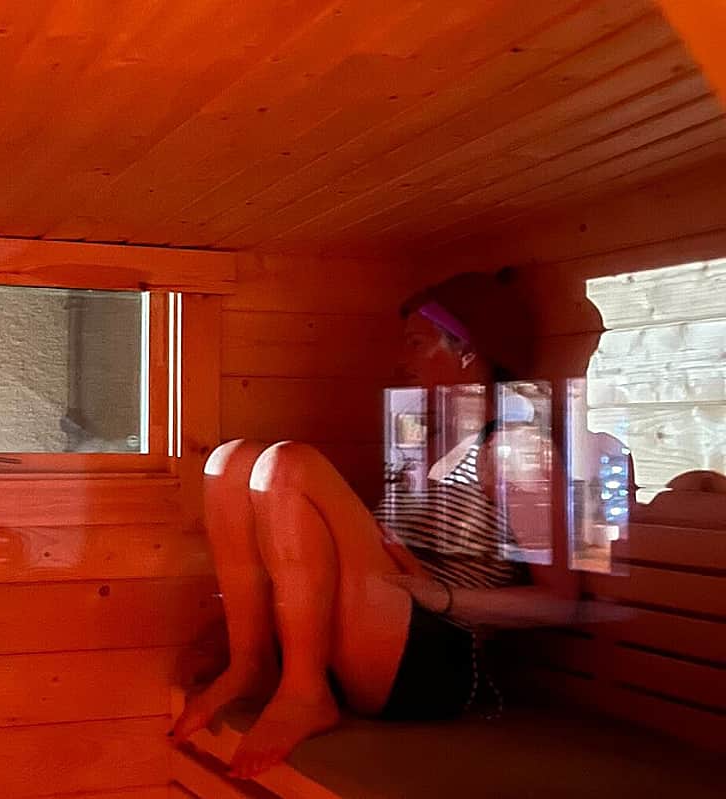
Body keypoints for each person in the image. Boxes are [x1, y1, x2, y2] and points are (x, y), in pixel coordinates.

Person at [171, 269, 574, 778]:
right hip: (379, 634)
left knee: (289, 464)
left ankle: (304, 693)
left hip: (437, 662)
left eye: (416, 343)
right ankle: (251, 664)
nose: (402, 360)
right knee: (230, 461)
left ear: (468, 350)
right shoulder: (424, 442)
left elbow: (560, 600)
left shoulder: (518, 451)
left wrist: (445, 598)